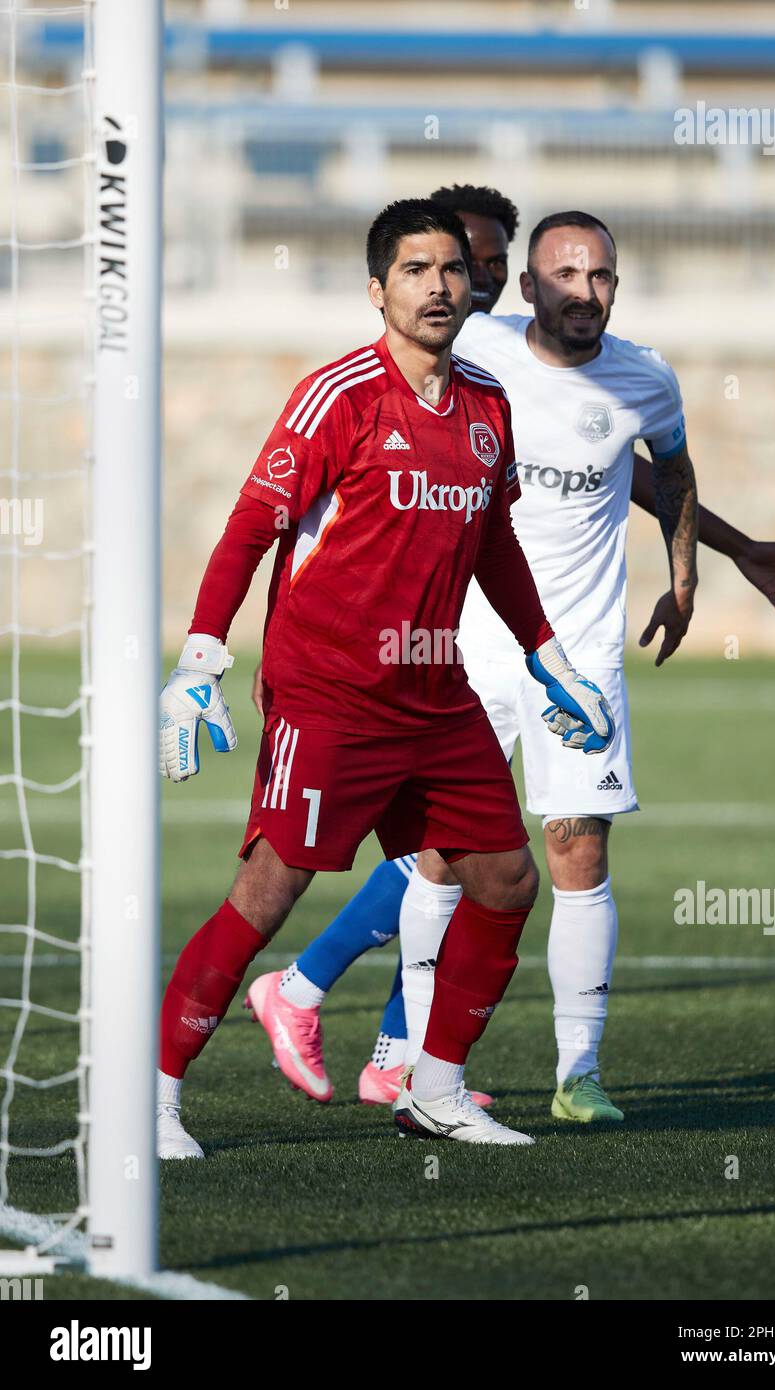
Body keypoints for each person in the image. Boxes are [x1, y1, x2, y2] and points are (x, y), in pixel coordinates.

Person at [256, 187, 775, 1121]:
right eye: (561, 273)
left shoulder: (640, 380)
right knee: (445, 855)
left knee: (574, 848)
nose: (584, 289)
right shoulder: (466, 353)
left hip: (582, 651)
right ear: (524, 282)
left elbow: (653, 470)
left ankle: (573, 1074)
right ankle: (361, 1029)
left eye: (600, 275)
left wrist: (703, 567)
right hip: (466, 644)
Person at [156, 197, 617, 1157]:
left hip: (435, 693)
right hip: (328, 693)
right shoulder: (340, 396)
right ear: (378, 291)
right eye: (415, 270)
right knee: (267, 896)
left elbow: (493, 541)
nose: (440, 285)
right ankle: (153, 1096)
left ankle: (435, 1089)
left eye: (451, 269)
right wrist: (201, 656)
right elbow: (253, 527)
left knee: (505, 880)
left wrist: (548, 655)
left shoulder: (488, 406)